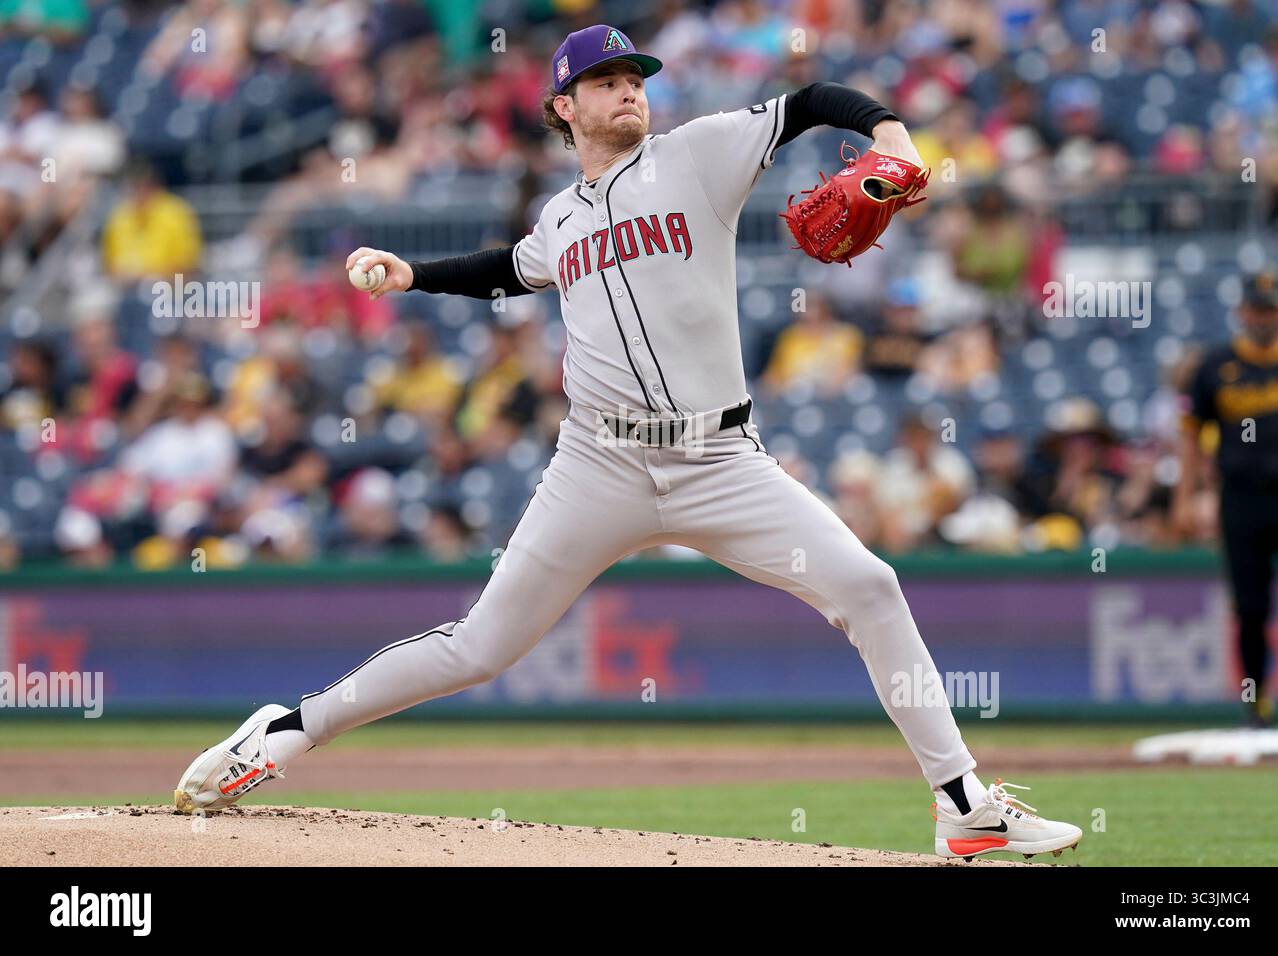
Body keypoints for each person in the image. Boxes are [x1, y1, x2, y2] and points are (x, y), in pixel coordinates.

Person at [175, 24, 1081, 861]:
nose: (628, 92)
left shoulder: (698, 154)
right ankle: (284, 732)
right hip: (597, 465)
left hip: (720, 461)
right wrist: (414, 275)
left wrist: (889, 134)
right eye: (604, 82)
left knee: (870, 586)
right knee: (479, 647)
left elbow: (810, 102)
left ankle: (963, 806)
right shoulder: (559, 216)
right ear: (563, 107)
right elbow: (512, 268)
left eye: (634, 77)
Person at [1176, 269, 1278, 728]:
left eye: (1271, 308)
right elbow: (1191, 437)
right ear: (1242, 312)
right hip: (1242, 499)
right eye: (1257, 308)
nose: (1264, 317)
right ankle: (1257, 702)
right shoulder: (1216, 366)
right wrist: (1186, 497)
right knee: (1250, 606)